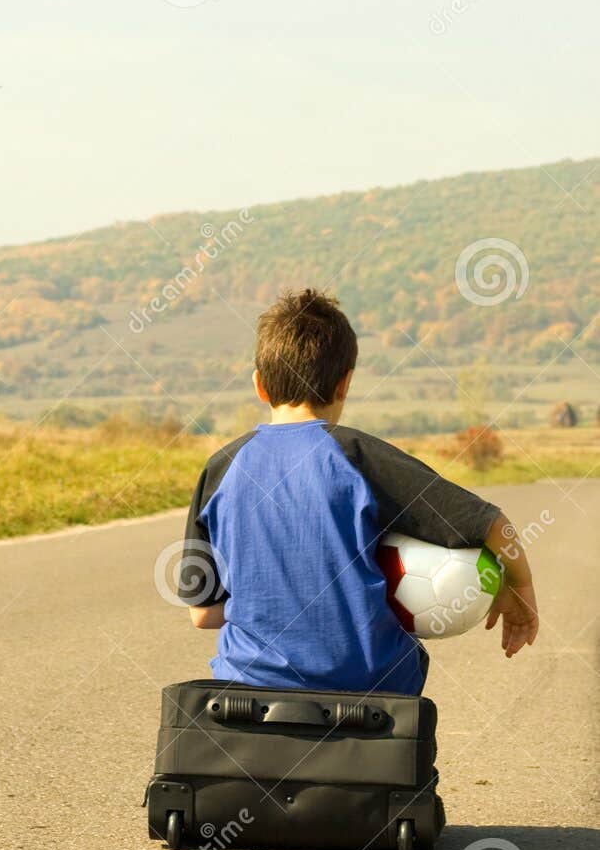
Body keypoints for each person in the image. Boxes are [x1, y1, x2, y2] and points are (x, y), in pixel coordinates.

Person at [179, 287, 539, 692]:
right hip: (367, 695)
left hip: (248, 692)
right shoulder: (359, 457)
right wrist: (519, 586)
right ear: (344, 384)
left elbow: (202, 613)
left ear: (259, 386)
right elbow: (494, 525)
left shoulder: (221, 467)